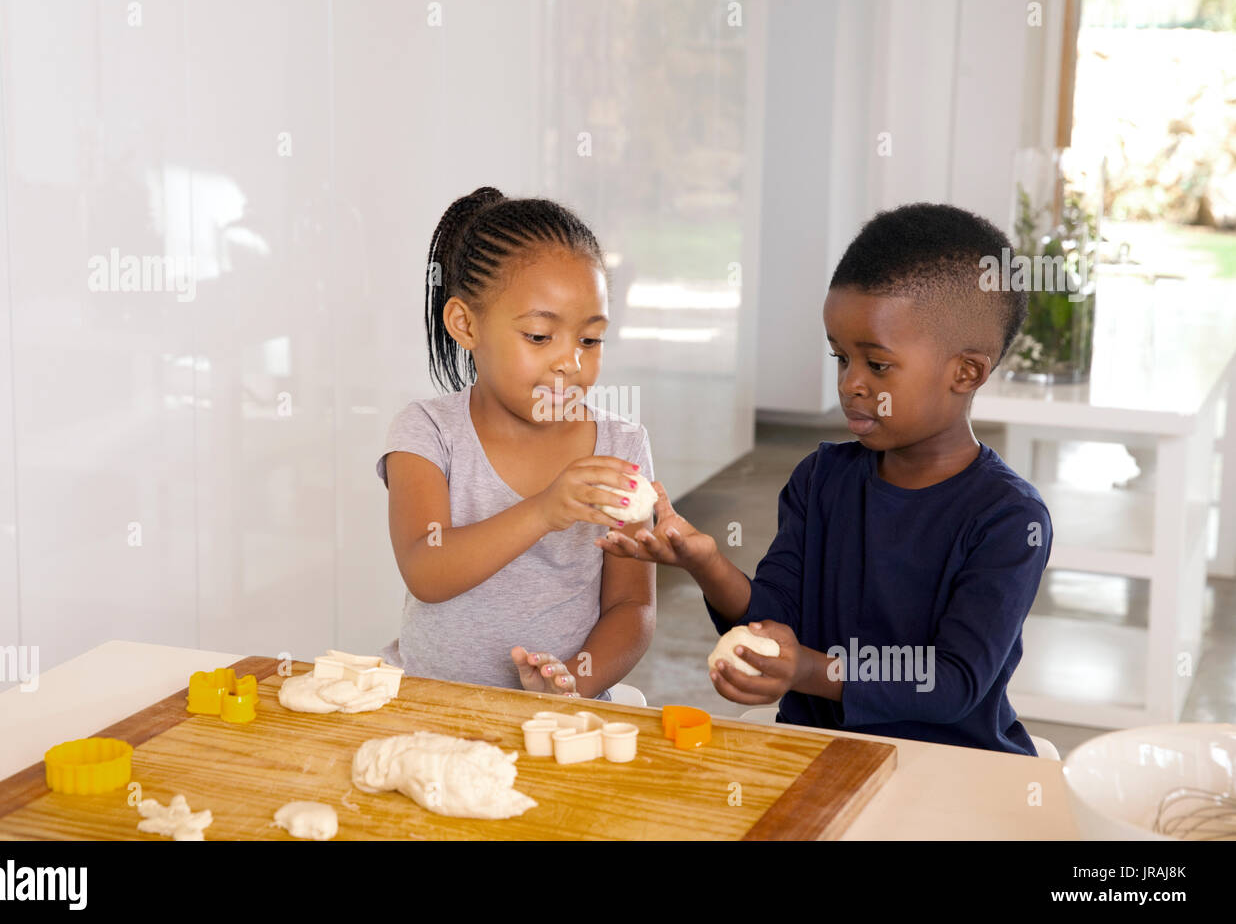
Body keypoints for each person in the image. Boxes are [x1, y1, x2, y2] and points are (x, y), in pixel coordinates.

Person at [600, 202, 1052, 754]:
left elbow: (953, 682)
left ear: (967, 372)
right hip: (814, 754)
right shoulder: (822, 478)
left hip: (950, 768)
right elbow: (776, 617)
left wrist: (808, 670)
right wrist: (705, 562)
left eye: (877, 365)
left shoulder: (1008, 519)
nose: (851, 384)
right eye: (841, 358)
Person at [376, 187, 656, 701]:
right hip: (428, 705)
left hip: (560, 714)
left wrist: (572, 683)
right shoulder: (427, 432)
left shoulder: (621, 444)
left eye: (589, 340)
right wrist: (546, 510)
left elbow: (632, 605)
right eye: (539, 336)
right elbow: (425, 570)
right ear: (465, 324)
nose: (569, 362)